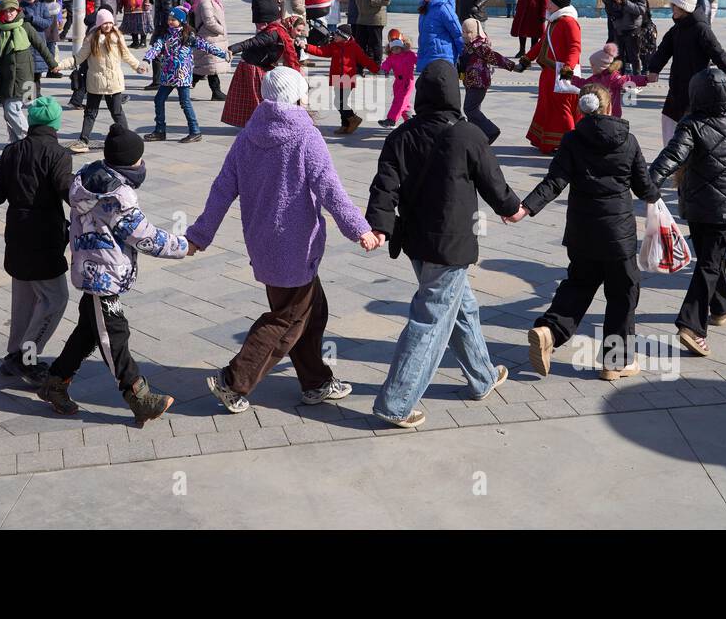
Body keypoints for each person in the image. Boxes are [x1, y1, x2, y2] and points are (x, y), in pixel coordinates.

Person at [187, 68, 375, 414]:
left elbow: (221, 189)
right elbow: (329, 189)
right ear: (297, 97)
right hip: (295, 246)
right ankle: (234, 381)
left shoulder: (247, 136)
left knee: (312, 312)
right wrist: (359, 228)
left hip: (263, 241)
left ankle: (315, 382)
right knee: (287, 319)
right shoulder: (306, 136)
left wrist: (200, 234)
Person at [365, 61, 522, 429]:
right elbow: (493, 182)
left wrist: (381, 226)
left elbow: (384, 188)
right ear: (455, 93)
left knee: (461, 306)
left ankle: (482, 376)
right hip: (451, 245)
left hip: (416, 242)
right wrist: (512, 209)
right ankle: (396, 403)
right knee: (430, 319)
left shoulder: (401, 136)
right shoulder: (468, 134)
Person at [35, 125, 188, 424]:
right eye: (137, 161)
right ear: (128, 163)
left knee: (87, 333)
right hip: (101, 276)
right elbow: (145, 237)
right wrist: (184, 245)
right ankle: (138, 396)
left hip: (98, 268)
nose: (140, 166)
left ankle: (55, 383)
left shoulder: (91, 177)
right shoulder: (115, 196)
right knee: (114, 336)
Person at [521, 84, 662, 379]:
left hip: (582, 233)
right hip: (617, 235)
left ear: (581, 109)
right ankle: (616, 361)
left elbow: (554, 182)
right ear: (609, 107)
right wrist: (656, 197)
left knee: (579, 283)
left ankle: (550, 330)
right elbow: (642, 186)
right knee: (623, 292)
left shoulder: (572, 139)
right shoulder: (628, 140)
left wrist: (526, 208)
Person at [649, 70, 726, 356]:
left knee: (710, 259)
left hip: (695, 206)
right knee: (710, 263)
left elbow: (671, 157)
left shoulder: (691, 125)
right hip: (724, 209)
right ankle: (691, 325)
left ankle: (723, 307)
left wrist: (649, 182)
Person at [0, 96, 75, 386]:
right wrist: (94, 208)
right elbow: (67, 190)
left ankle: (15, 354)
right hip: (45, 235)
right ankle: (25, 357)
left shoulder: (12, 151)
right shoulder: (58, 154)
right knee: (55, 298)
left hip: (17, 233)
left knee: (24, 298)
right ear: (55, 125)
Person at [645, 0, 726, 145]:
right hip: (677, 84)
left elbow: (717, 51)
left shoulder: (701, 29)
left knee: (693, 123)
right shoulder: (676, 29)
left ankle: (692, 156)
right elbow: (663, 51)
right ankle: (670, 154)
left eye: (674, 6)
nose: (671, 9)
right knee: (668, 118)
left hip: (697, 85)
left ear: (684, 8)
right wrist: (654, 69)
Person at [0, 0, 60, 141]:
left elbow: (41, 46)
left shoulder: (26, 26)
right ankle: (19, 142)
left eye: (12, 10)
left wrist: (53, 64)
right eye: (5, 11)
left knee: (30, 108)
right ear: (1, 13)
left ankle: (29, 139)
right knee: (10, 111)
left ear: (17, 11)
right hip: (7, 78)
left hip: (27, 76)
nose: (9, 14)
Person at [56, 8, 144, 152]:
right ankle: (83, 141)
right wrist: (60, 66)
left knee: (117, 112)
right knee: (90, 112)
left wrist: (138, 66)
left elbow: (127, 55)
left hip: (114, 82)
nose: (108, 26)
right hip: (96, 82)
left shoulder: (118, 37)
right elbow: (78, 58)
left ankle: (127, 140)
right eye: (104, 23)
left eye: (110, 23)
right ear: (99, 24)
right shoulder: (92, 39)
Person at [142, 6, 227, 143]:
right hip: (168, 75)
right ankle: (160, 130)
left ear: (181, 21)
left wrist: (223, 54)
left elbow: (206, 46)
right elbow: (156, 47)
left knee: (185, 102)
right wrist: (146, 60)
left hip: (182, 74)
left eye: (173, 19)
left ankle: (195, 131)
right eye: (169, 19)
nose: (170, 22)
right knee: (158, 99)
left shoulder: (188, 36)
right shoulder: (165, 35)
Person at [521, 0, 583, 154]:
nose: (547, 4)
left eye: (550, 2)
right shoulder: (554, 21)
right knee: (547, 108)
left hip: (561, 74)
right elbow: (542, 43)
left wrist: (568, 68)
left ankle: (573, 145)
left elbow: (575, 48)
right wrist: (527, 58)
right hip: (549, 73)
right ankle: (548, 142)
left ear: (557, 5)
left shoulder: (569, 22)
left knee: (563, 109)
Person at [224, 16, 302, 128]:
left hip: (264, 65)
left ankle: (262, 124)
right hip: (252, 65)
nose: (299, 33)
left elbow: (292, 58)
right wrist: (232, 49)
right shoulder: (273, 34)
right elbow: (251, 42)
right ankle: (260, 125)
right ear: (290, 27)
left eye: (301, 31)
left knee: (268, 96)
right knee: (259, 98)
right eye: (298, 30)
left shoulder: (285, 37)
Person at [458, 18, 517, 142]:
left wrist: (512, 66)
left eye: (468, 32)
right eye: (463, 31)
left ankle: (491, 130)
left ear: (476, 31)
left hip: (479, 83)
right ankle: (476, 136)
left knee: (469, 109)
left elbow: (497, 58)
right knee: (474, 109)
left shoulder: (481, 46)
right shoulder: (467, 45)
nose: (465, 35)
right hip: (469, 82)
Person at [188, 0, 229, 101]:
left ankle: (215, 91)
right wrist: (221, 29)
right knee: (208, 66)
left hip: (211, 37)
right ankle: (215, 91)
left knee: (208, 66)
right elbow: (209, 21)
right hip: (209, 37)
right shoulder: (204, 1)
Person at [581, 43, 648, 120]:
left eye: (593, 65)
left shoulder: (613, 78)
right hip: (598, 111)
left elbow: (629, 79)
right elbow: (583, 83)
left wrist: (645, 79)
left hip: (612, 113)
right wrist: (571, 78)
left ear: (601, 66)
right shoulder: (595, 77)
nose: (591, 68)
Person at [415, 0, 465, 75]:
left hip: (442, 56)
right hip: (427, 54)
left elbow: (457, 33)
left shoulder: (443, 8)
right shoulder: (425, 8)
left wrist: (464, 56)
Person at [354, 0, 391, 65]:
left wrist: (371, 1)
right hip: (363, 16)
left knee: (375, 43)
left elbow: (386, 0)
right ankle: (361, 63)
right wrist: (359, 0)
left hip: (375, 18)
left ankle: (376, 63)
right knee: (360, 42)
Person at [378, 36, 418, 129]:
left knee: (399, 101)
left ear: (402, 47)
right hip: (397, 83)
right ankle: (410, 121)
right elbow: (386, 64)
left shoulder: (410, 55)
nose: (395, 50)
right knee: (404, 103)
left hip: (407, 82)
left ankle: (391, 120)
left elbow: (418, 60)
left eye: (397, 48)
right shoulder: (391, 58)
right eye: (393, 49)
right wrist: (384, 70)